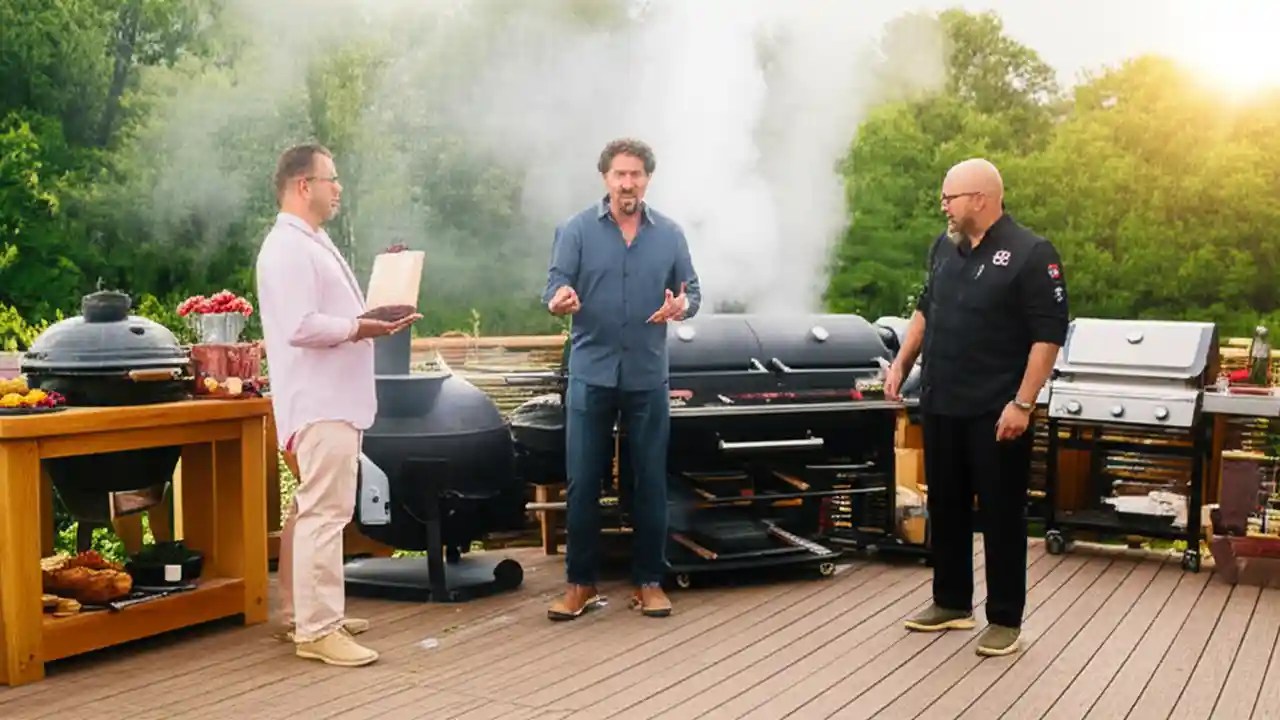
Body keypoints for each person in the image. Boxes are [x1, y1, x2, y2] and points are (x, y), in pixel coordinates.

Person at [884, 158, 1068, 657]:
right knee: (945, 505)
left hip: (997, 410)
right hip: (941, 398)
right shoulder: (944, 247)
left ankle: (1005, 619)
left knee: (1002, 514)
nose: (944, 206)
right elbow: (926, 308)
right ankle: (951, 602)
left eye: (951, 198)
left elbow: (1047, 336)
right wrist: (900, 363)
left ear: (981, 199)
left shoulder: (1032, 254)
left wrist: (1023, 404)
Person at [256, 143, 419, 666]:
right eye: (332, 179)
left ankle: (300, 615)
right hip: (319, 400)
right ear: (304, 185)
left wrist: (379, 300)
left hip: (331, 397)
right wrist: (362, 327)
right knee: (326, 513)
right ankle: (319, 629)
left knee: (308, 509)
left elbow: (331, 309)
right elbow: (300, 325)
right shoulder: (286, 248)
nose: (338, 188)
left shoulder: (310, 241)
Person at [542, 138, 702, 621]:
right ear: (605, 179)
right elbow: (553, 286)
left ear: (647, 179)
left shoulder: (670, 234)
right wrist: (559, 299)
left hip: (648, 375)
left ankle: (649, 582)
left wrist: (683, 306)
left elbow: (693, 291)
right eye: (619, 175)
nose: (627, 183)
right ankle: (580, 584)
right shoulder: (575, 230)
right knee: (584, 479)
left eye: (636, 175)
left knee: (650, 480)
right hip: (591, 373)